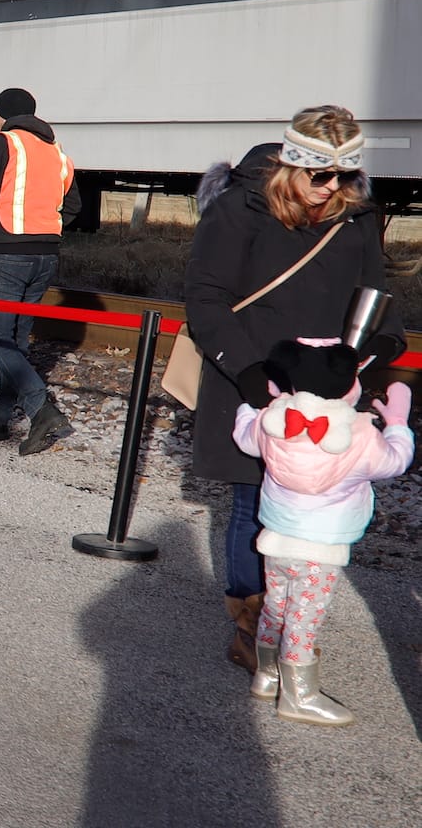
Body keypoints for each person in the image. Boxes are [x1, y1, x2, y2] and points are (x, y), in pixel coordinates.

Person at [185, 104, 405, 675]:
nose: (332, 187)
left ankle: (293, 621)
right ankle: (253, 626)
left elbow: (375, 294)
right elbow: (205, 299)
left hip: (327, 392)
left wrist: (379, 346)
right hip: (255, 378)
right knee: (251, 503)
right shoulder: (239, 208)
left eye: (345, 175)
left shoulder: (355, 214)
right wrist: (248, 373)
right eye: (320, 175)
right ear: (292, 164)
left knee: (313, 509)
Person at [232, 338, 412, 726]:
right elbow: (396, 462)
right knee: (304, 617)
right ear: (349, 388)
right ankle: (299, 696)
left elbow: (245, 437)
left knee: (276, 606)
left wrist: (252, 405)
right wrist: (398, 424)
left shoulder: (274, 420)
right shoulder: (359, 435)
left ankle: (267, 676)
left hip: (277, 536)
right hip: (321, 547)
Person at [0, 87, 80, 456]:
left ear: (3, 115)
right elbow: (73, 205)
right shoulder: (57, 152)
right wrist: (44, 228)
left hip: (6, 255)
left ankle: (41, 410)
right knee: (15, 341)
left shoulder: (1, 144)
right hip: (46, 257)